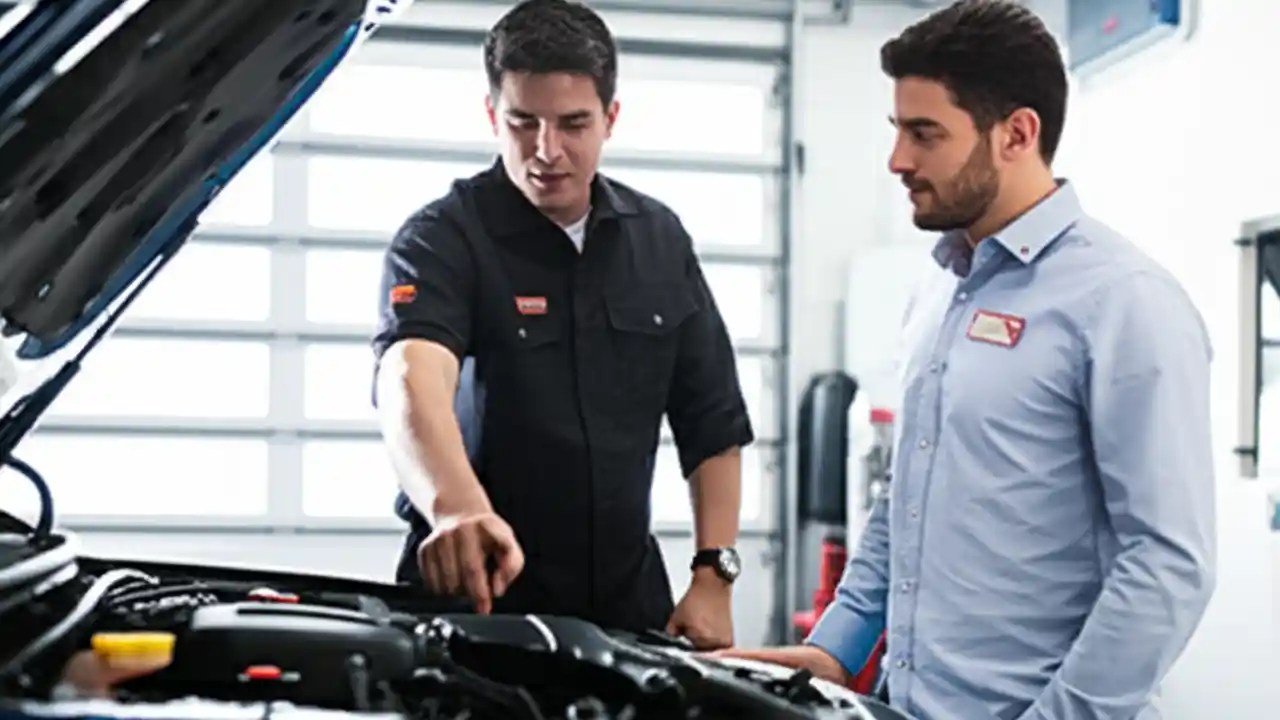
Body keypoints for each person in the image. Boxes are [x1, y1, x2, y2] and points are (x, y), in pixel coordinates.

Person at [712, 1, 1217, 718]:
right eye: (897, 130)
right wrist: (838, 647)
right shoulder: (940, 282)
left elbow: (1167, 568)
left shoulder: (1124, 302)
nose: (898, 160)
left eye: (925, 134)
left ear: (1017, 133)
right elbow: (908, 496)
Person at [370, 0, 754, 649]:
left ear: (611, 118)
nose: (548, 151)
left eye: (574, 124)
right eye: (524, 123)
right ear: (493, 116)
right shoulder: (441, 239)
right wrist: (455, 507)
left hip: (629, 614)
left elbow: (711, 421)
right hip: (481, 611)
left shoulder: (659, 240)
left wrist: (714, 575)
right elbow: (410, 375)